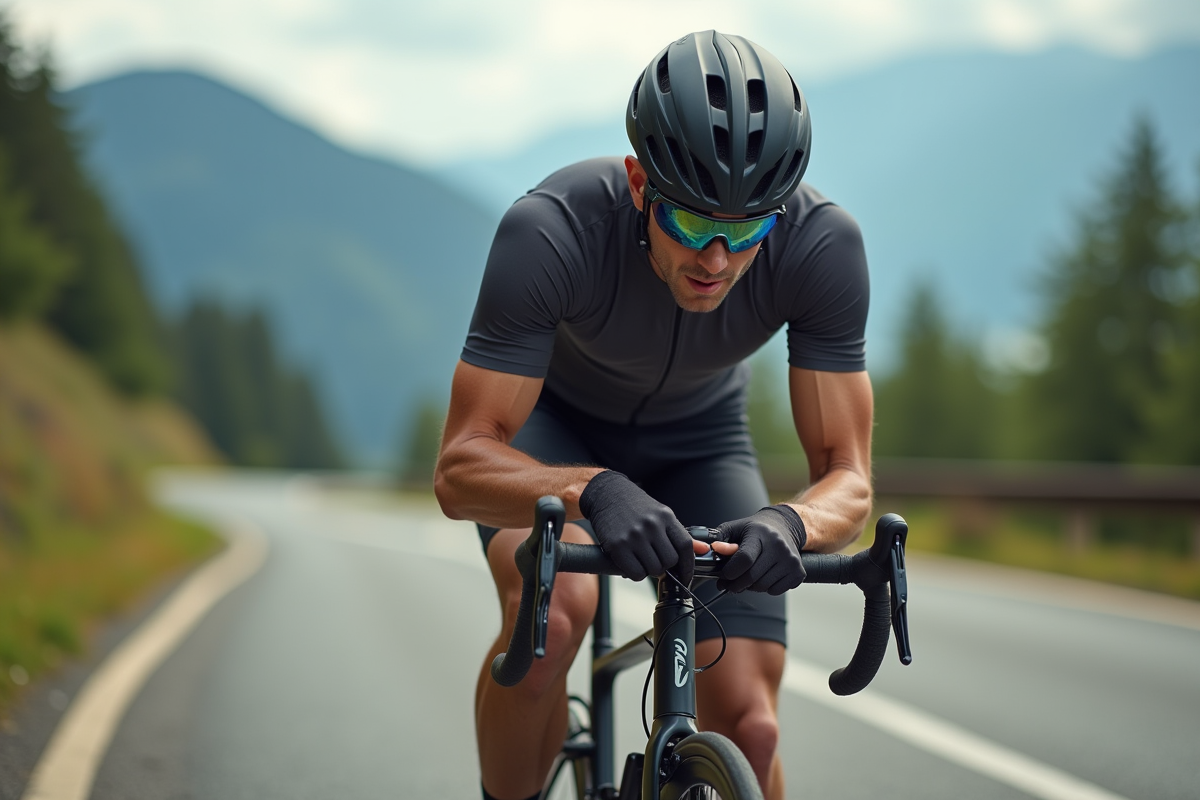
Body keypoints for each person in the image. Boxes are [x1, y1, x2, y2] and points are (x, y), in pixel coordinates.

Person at [434, 30, 873, 800]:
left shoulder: (820, 248)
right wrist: (593, 490)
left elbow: (849, 478)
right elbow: (462, 466)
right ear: (639, 182)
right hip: (551, 433)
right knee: (554, 625)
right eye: (693, 224)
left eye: (746, 232)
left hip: (701, 443)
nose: (716, 260)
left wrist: (791, 526)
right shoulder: (553, 231)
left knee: (754, 728)